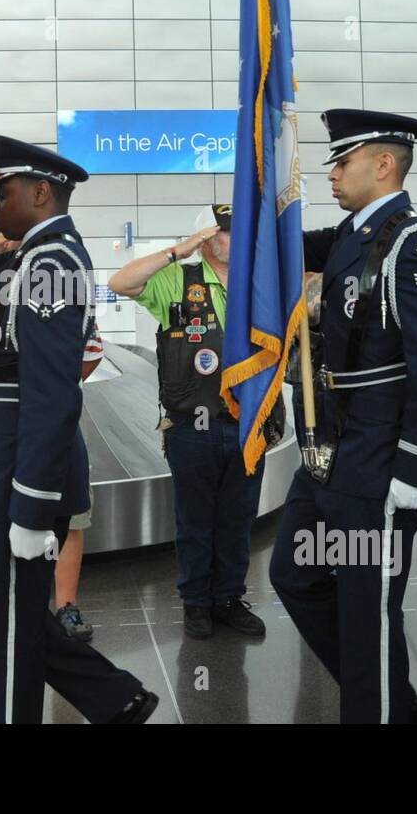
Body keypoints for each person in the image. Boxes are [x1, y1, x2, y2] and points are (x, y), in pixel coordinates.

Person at [269, 109, 417, 724]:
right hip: (332, 446)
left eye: (341, 160)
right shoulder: (349, 237)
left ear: (384, 164)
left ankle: (379, 706)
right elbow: (271, 244)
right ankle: (393, 701)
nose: (329, 172)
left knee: (366, 606)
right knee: (294, 574)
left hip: (377, 458)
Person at [0, 135, 156, 723]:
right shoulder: (31, 255)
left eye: (3, 190)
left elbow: (51, 393)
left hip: (22, 461)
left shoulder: (52, 263)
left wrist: (30, 506)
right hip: (5, 452)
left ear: (40, 192)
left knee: (7, 628)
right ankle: (113, 696)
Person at [110, 203, 281, 639]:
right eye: (224, 231)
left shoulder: (257, 285)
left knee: (237, 518)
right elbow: (119, 282)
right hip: (192, 425)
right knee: (195, 519)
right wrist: (178, 250)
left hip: (248, 424)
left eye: (239, 231)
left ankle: (228, 597)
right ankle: (196, 603)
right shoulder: (177, 282)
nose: (235, 239)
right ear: (205, 237)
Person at [53, 318, 106, 641]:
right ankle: (15, 604)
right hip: (10, 414)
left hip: (62, 414)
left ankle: (66, 605)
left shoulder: (69, 292)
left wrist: (59, 389)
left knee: (72, 514)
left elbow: (92, 352)